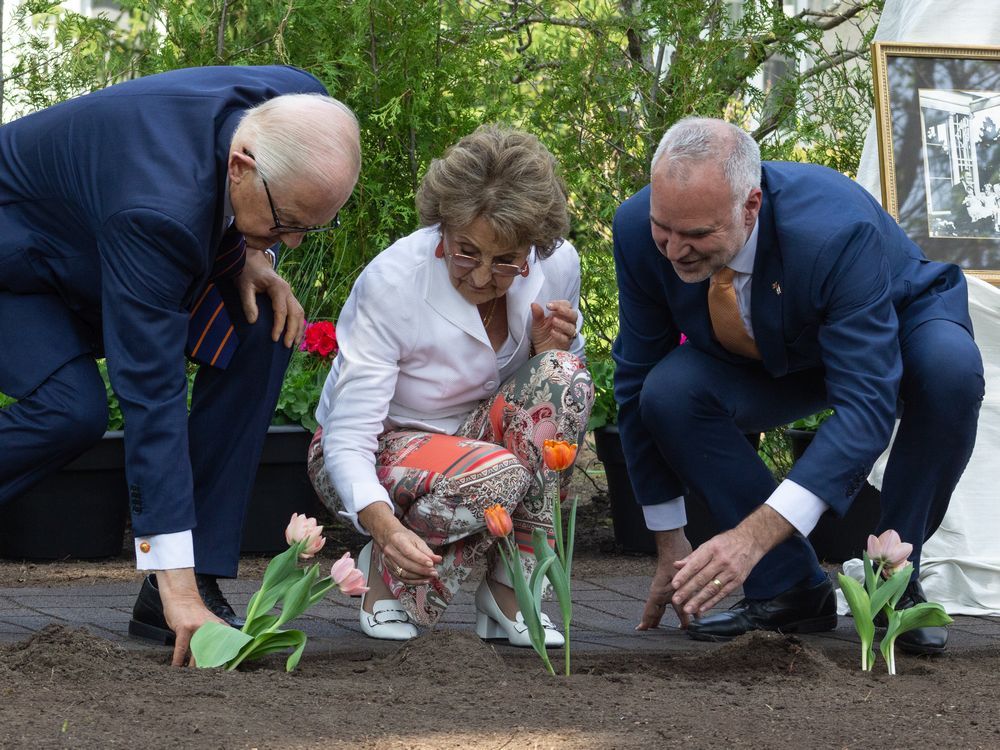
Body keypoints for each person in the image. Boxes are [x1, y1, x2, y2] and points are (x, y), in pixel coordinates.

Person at [0, 66, 361, 666]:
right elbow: (152, 398)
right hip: (20, 265)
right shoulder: (156, 210)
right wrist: (175, 577)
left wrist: (252, 246)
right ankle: (174, 588)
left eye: (308, 226)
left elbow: (269, 201)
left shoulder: (297, 105)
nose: (292, 243)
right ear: (241, 167)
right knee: (72, 411)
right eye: (286, 223)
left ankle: (187, 582)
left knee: (262, 326)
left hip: (101, 237)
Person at [612, 117, 984, 654]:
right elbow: (635, 375)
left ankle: (893, 578)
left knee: (951, 371)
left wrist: (750, 536)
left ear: (751, 205)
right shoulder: (636, 230)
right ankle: (788, 588)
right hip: (772, 350)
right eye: (663, 229)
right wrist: (669, 539)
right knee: (667, 393)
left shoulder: (833, 230)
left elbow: (866, 406)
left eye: (696, 235)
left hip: (896, 327)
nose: (674, 251)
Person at [307, 125, 592, 643]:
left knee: (565, 378)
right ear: (444, 227)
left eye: (506, 260)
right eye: (467, 251)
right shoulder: (393, 282)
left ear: (532, 246)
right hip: (377, 449)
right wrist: (384, 527)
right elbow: (348, 438)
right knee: (500, 476)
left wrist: (544, 354)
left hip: (479, 445)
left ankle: (512, 590)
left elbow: (557, 401)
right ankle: (385, 570)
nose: (483, 277)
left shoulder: (558, 265)